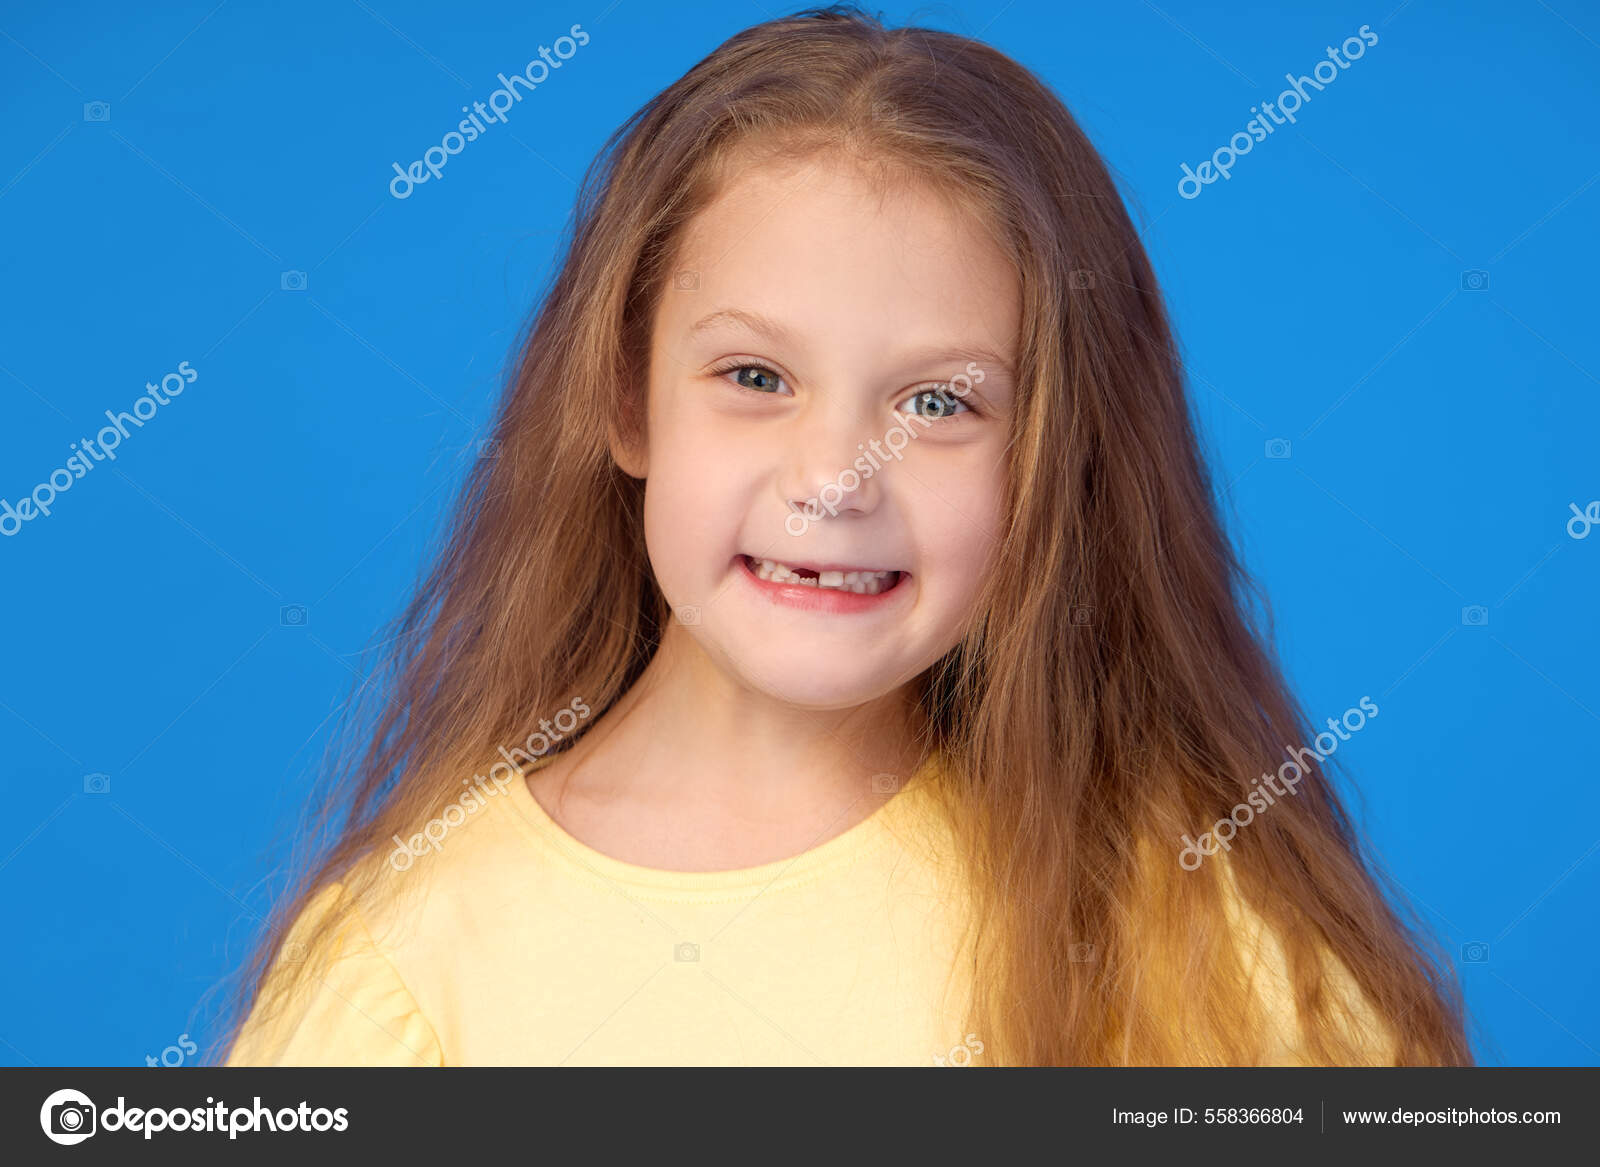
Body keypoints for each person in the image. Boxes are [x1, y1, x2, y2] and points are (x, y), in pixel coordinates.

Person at [223, 5, 1469, 1066]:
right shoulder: (404, 969)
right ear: (622, 400)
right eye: (755, 375)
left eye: (939, 403)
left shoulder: (1197, 923)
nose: (835, 480)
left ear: (1049, 460)